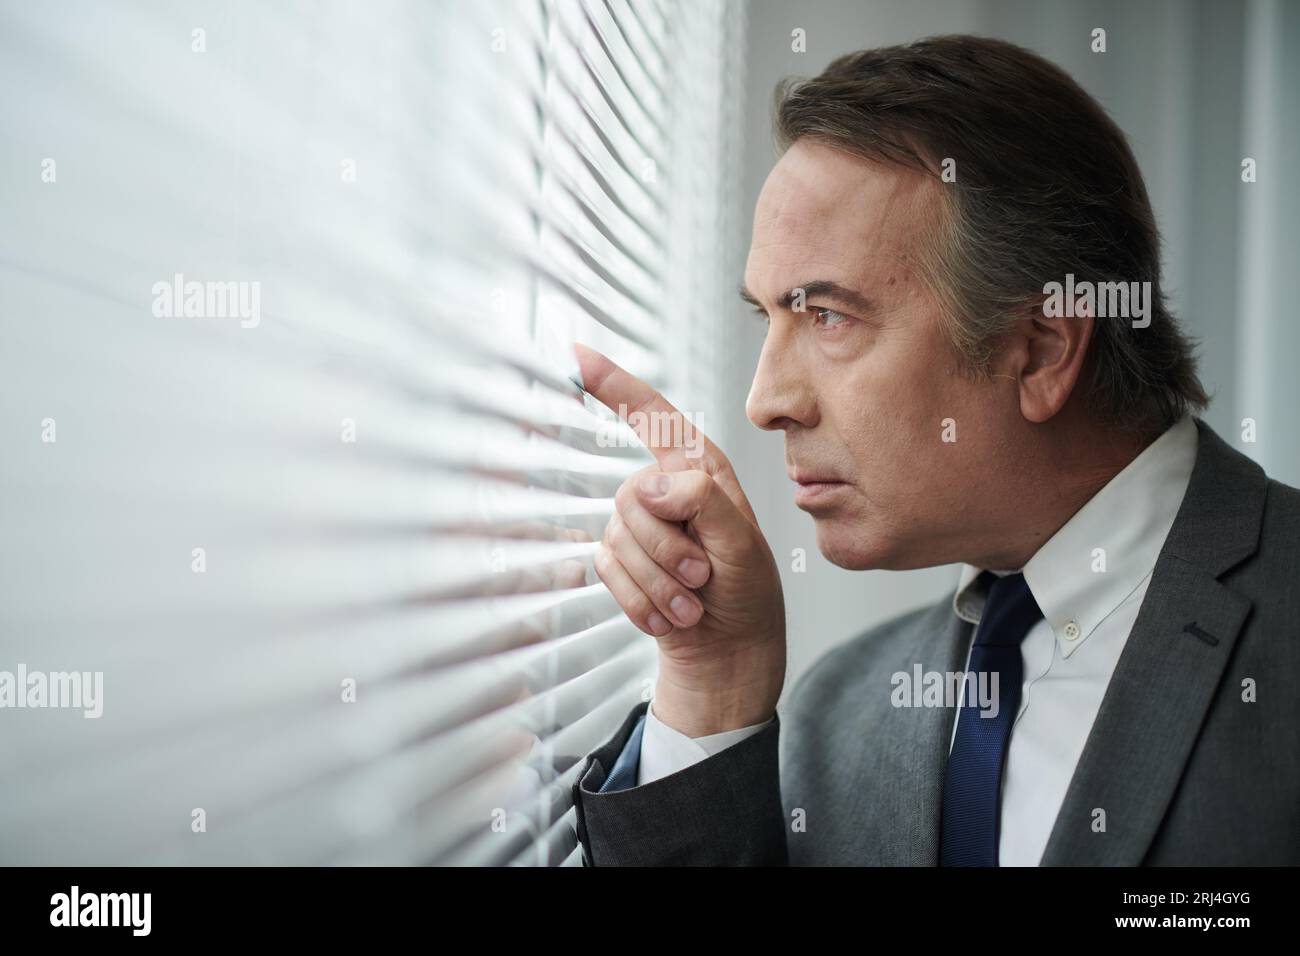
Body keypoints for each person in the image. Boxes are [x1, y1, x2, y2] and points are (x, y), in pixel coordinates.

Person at [567, 35, 1300, 866]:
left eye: (830, 317)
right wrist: (715, 684)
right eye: (767, 318)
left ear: (1043, 349)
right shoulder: (834, 711)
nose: (765, 402)